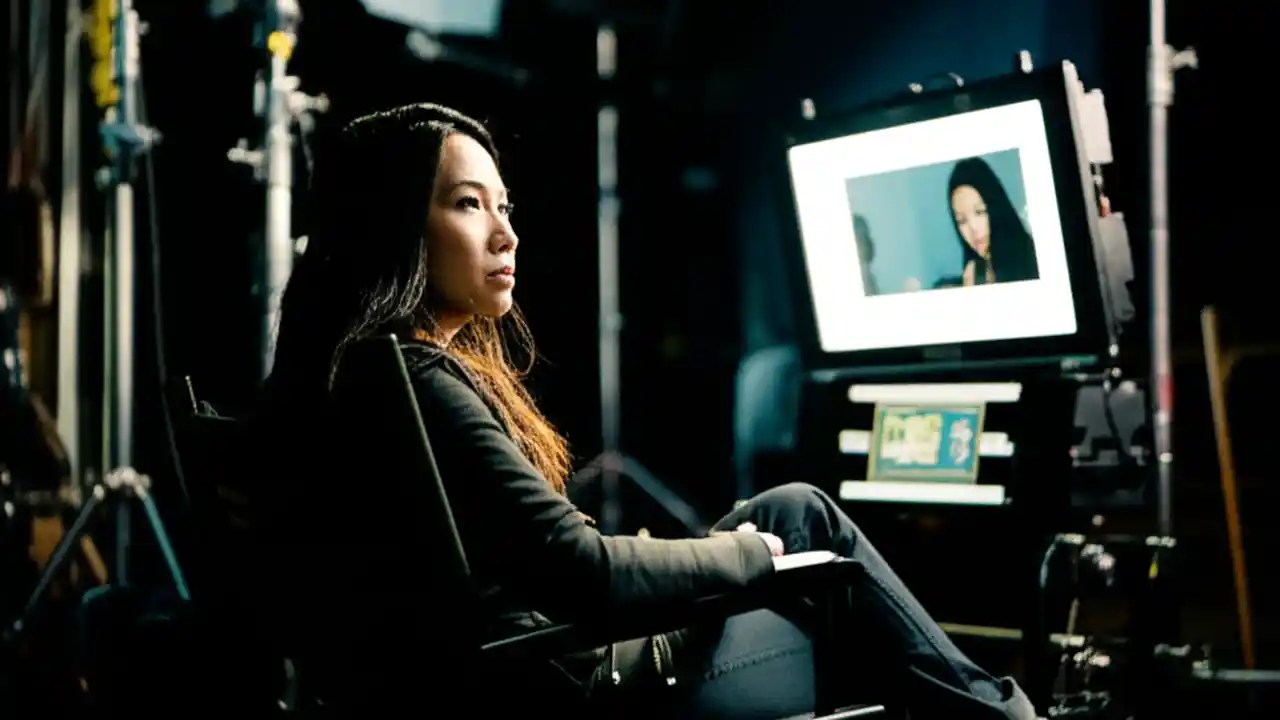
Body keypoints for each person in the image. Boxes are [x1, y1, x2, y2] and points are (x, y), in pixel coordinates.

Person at [251, 103, 1037, 719]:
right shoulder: (416, 381)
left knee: (796, 510)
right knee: (816, 553)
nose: (506, 233)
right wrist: (748, 559)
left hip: (513, 671)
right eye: (468, 204)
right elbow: (586, 573)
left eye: (505, 205)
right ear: (395, 227)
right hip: (576, 687)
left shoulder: (349, 380)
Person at [947, 157, 1040, 287]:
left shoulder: (1034, 258)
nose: (972, 227)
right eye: (961, 221)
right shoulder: (973, 273)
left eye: (980, 212)